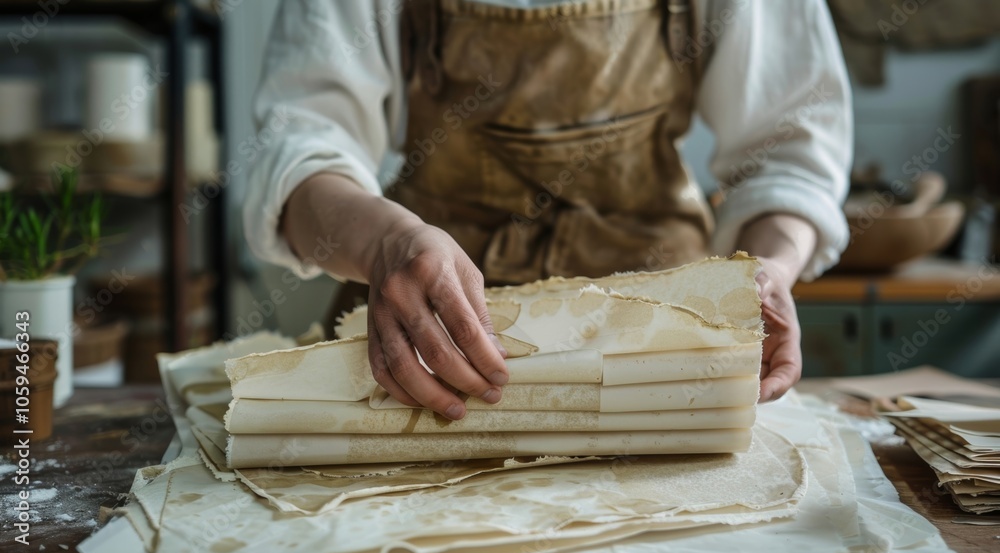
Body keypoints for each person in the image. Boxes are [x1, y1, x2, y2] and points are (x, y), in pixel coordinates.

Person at [245, 0, 852, 421]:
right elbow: (299, 152)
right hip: (425, 350)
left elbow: (790, 148)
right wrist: (387, 244)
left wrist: (768, 267)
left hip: (661, 349)